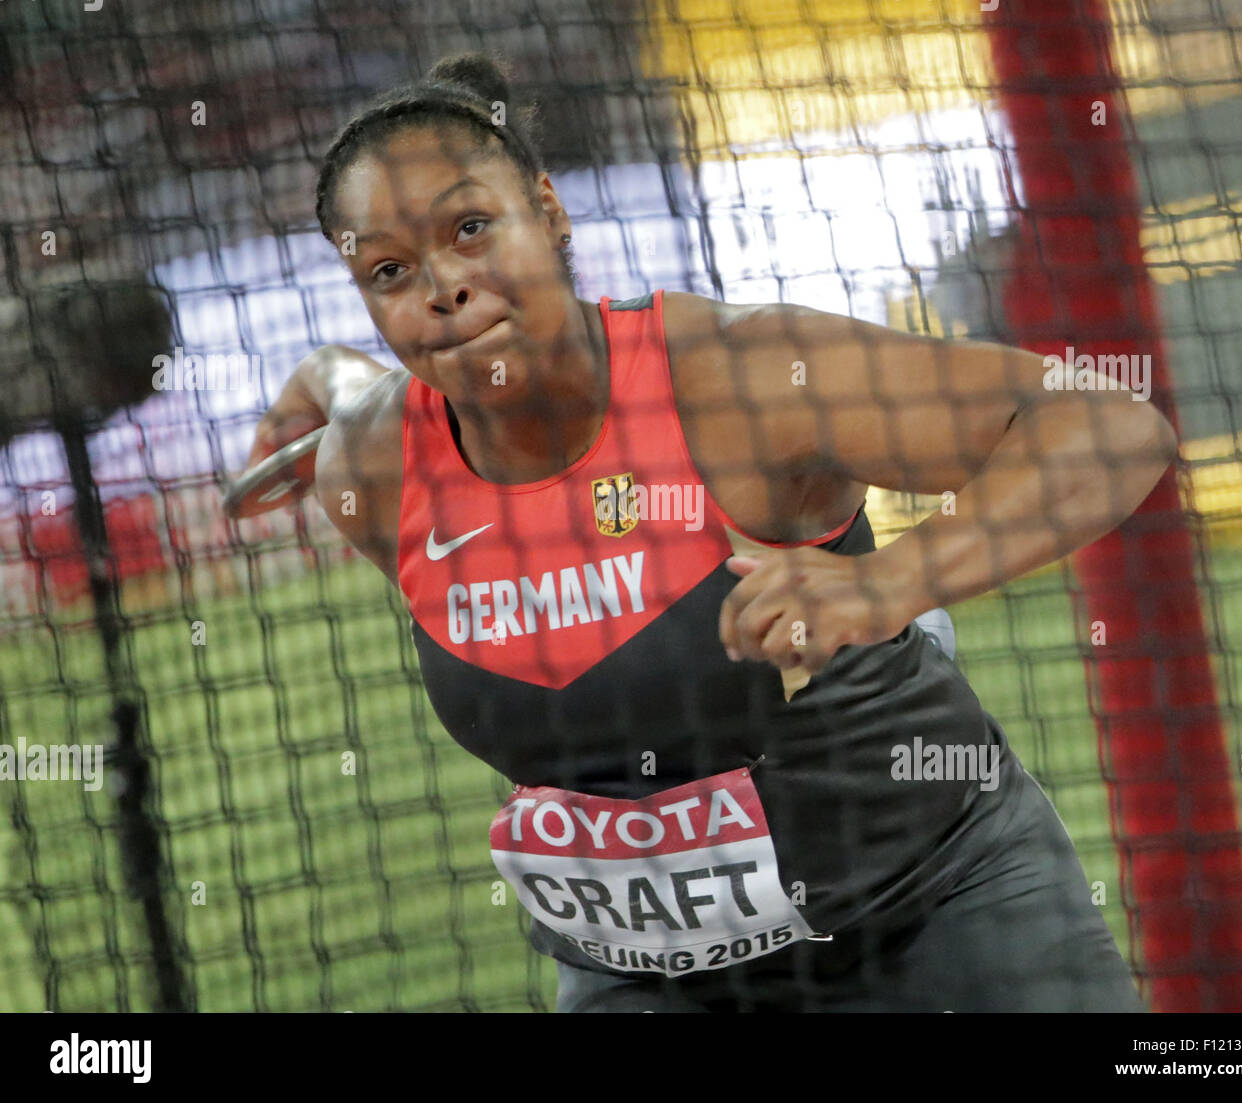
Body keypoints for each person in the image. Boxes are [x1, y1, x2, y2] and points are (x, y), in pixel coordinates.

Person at [242, 51, 1177, 1012]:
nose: (443, 287)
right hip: (636, 975)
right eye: (389, 271)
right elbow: (366, 393)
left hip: (934, 916)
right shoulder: (373, 466)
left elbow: (1108, 426)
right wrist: (325, 373)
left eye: (472, 228)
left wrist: (885, 585)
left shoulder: (741, 379)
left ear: (550, 212)